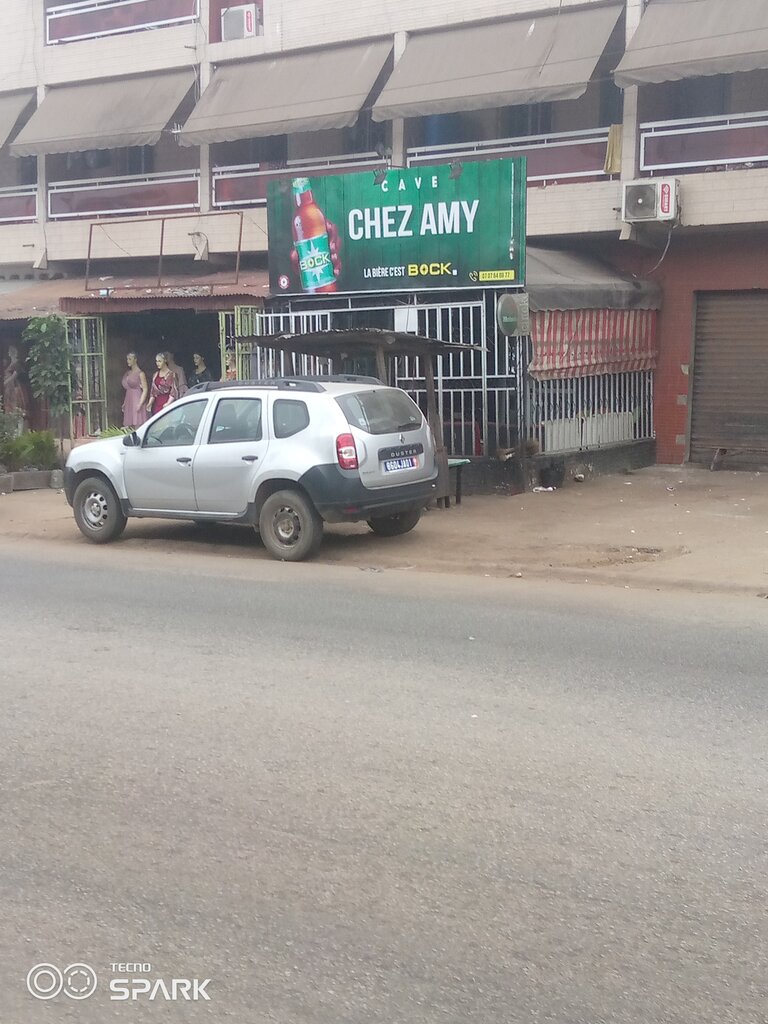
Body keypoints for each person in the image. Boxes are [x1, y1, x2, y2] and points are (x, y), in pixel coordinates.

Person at [2, 344, 32, 430]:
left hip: (16, 389)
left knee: (18, 410)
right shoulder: (10, 363)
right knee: (10, 412)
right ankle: (13, 432)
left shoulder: (17, 363)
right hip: (9, 390)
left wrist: (4, 383)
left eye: (10, 351)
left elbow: (14, 376)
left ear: (13, 353)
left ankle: (19, 432)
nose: (8, 353)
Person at [121, 351, 148, 428]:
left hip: (137, 398)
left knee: (137, 421)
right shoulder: (128, 373)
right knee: (129, 423)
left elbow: (145, 389)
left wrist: (140, 403)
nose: (128, 361)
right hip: (129, 398)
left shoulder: (140, 373)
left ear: (135, 360)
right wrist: (125, 402)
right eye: (127, 359)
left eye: (130, 359)